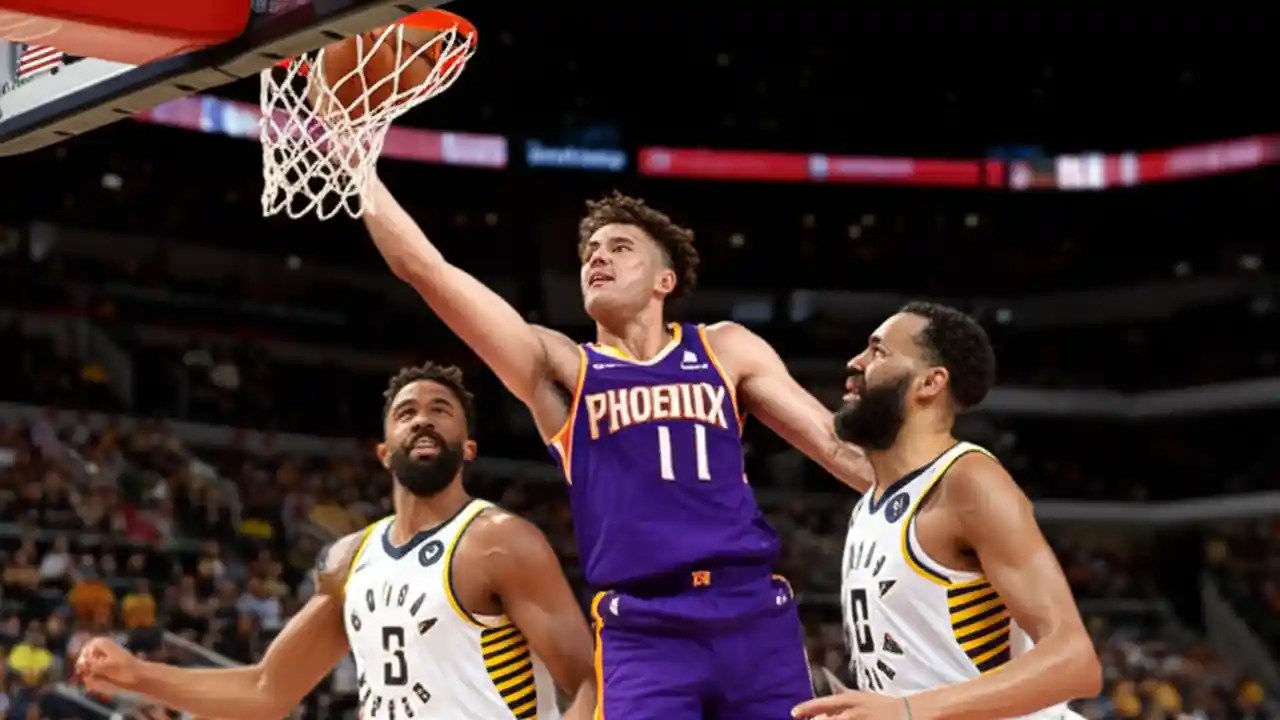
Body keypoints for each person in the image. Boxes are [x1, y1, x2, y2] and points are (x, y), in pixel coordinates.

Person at [361, 180, 875, 719]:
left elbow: (835, 448)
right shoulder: (562, 368)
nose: (597, 258)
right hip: (643, 627)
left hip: (751, 614)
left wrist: (941, 500)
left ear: (664, 280)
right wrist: (359, 171)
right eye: (590, 253)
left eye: (619, 248)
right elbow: (428, 270)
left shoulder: (724, 348)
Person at [76, 362, 596, 720]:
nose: (422, 419)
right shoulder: (349, 559)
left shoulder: (502, 543)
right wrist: (137, 674)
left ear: (469, 448)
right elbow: (267, 690)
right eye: (406, 412)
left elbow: (592, 683)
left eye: (441, 410)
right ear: (382, 451)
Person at [793, 302, 1101, 720]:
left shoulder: (968, 481)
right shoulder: (875, 501)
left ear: (930, 383)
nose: (855, 362)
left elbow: (1075, 662)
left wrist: (903, 709)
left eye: (878, 351)